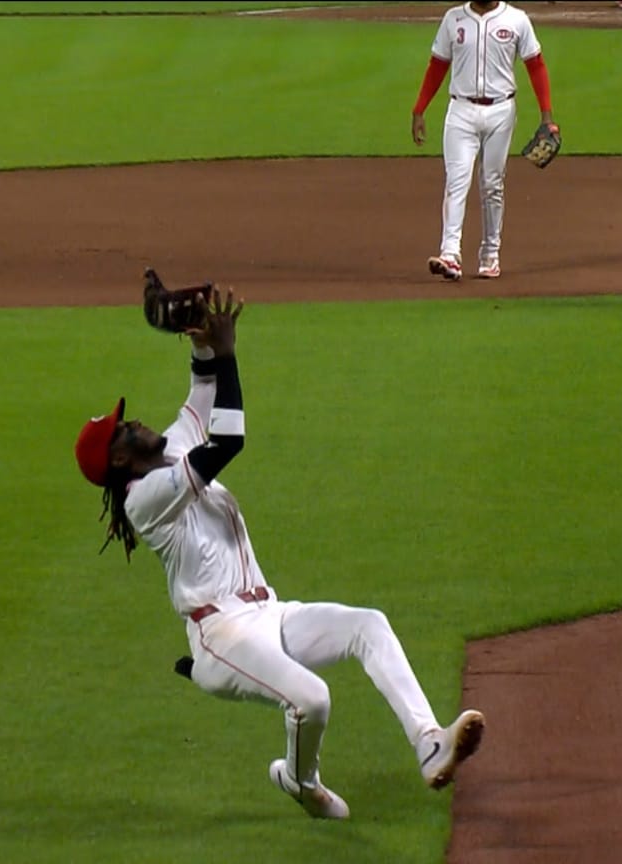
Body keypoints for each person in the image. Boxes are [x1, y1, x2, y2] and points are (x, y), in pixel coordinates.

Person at [72, 287, 485, 820]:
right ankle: (298, 779)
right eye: (123, 429)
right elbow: (227, 443)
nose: (135, 422)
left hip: (268, 611)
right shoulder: (143, 500)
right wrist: (229, 353)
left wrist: (202, 344)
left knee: (369, 626)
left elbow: (202, 392)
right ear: (120, 459)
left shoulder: (171, 447)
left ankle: (429, 742)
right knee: (312, 699)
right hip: (221, 635)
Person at [411, 2, 555, 282]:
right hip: (460, 111)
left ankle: (490, 254)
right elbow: (437, 65)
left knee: (492, 184)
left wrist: (546, 115)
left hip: (501, 111)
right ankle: (450, 254)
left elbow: (535, 65)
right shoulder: (453, 19)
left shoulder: (516, 20)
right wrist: (420, 108)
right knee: (456, 181)